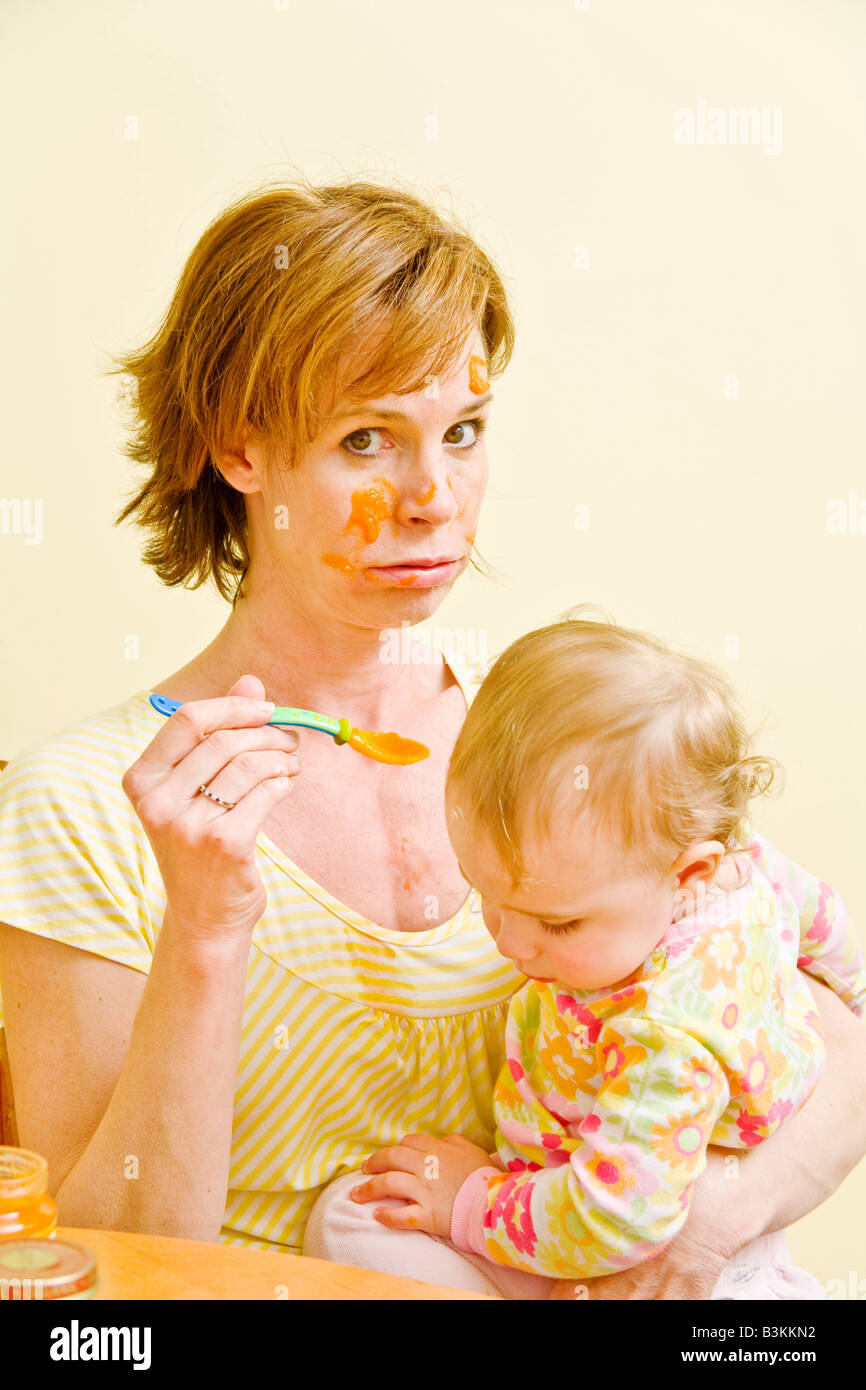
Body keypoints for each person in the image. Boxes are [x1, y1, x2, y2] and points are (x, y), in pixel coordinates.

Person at [0, 180, 864, 1300]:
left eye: (461, 432)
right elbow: (108, 1290)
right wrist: (205, 934)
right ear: (239, 450)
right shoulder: (79, 806)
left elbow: (802, 1012)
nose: (433, 495)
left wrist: (710, 1223)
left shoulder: (558, 735)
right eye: (367, 440)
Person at [328, 617, 865, 1298]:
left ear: (688, 876)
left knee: (356, 1221)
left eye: (558, 922)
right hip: (596, 1206)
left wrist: (471, 1199)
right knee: (360, 1213)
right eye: (485, 894)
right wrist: (851, 993)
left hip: (656, 1256)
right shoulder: (748, 867)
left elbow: (616, 1219)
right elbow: (829, 927)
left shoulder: (665, 1033)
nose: (512, 943)